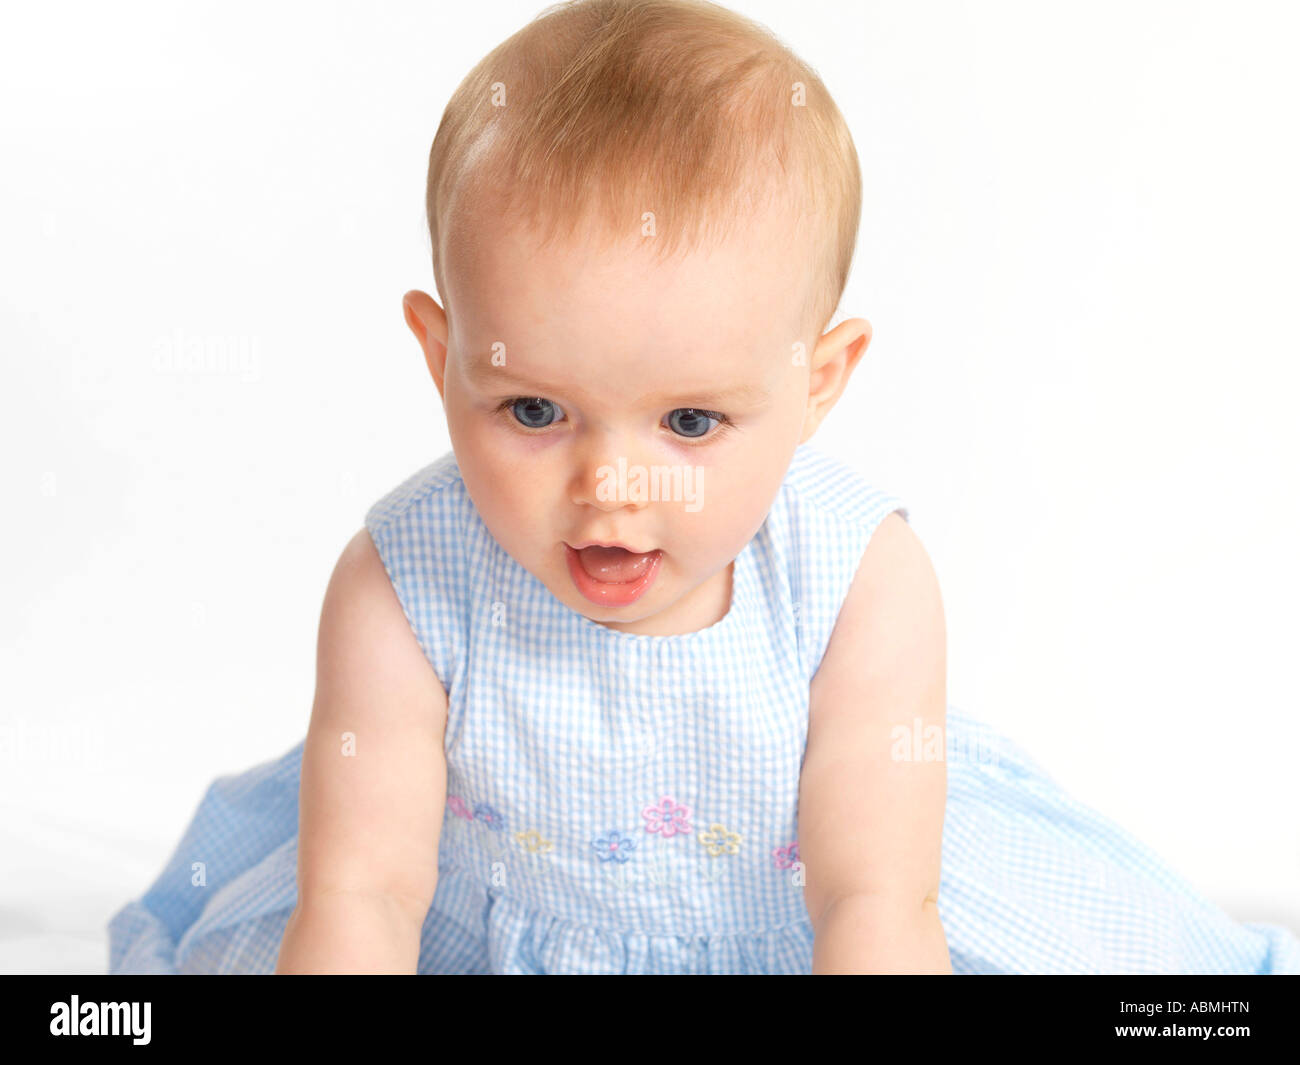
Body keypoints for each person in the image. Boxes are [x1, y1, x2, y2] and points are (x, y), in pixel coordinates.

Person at [107, 0, 1300, 974]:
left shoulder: (855, 580)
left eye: (689, 422)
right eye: (533, 410)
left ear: (817, 380)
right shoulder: (401, 580)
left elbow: (874, 900)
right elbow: (364, 893)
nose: (609, 485)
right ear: (442, 355)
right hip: (482, 931)